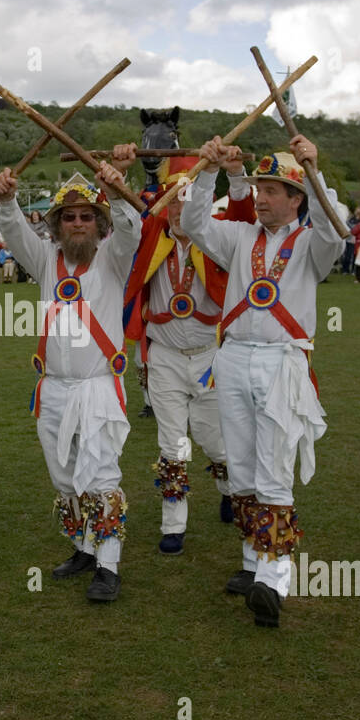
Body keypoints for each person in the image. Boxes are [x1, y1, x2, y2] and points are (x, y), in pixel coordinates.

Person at [181, 135, 343, 629]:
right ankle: (253, 563)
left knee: (274, 466)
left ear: (296, 199)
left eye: (273, 190)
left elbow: (337, 228)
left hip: (281, 360)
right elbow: (192, 223)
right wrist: (208, 170)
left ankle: (275, 578)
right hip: (232, 358)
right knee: (243, 466)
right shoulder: (240, 237)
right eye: (259, 188)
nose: (262, 197)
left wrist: (316, 171)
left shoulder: (314, 244)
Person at [0, 163, 139, 601]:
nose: (79, 224)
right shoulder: (45, 262)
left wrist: (115, 189)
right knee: (63, 476)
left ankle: (108, 565)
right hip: (53, 388)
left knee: (100, 474)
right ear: (56, 226)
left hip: (97, 388)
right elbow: (16, 232)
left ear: (99, 224)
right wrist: (4, 198)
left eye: (87, 216)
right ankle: (84, 547)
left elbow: (131, 226)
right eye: (70, 218)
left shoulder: (115, 258)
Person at [119, 142, 247, 554]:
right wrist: (118, 174)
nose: (179, 210)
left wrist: (234, 172)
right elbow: (124, 213)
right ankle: (173, 524)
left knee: (215, 441)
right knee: (171, 441)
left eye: (187, 201)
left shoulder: (219, 241)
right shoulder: (149, 240)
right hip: (165, 359)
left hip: (210, 357)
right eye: (173, 201)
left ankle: (228, 489)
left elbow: (246, 215)